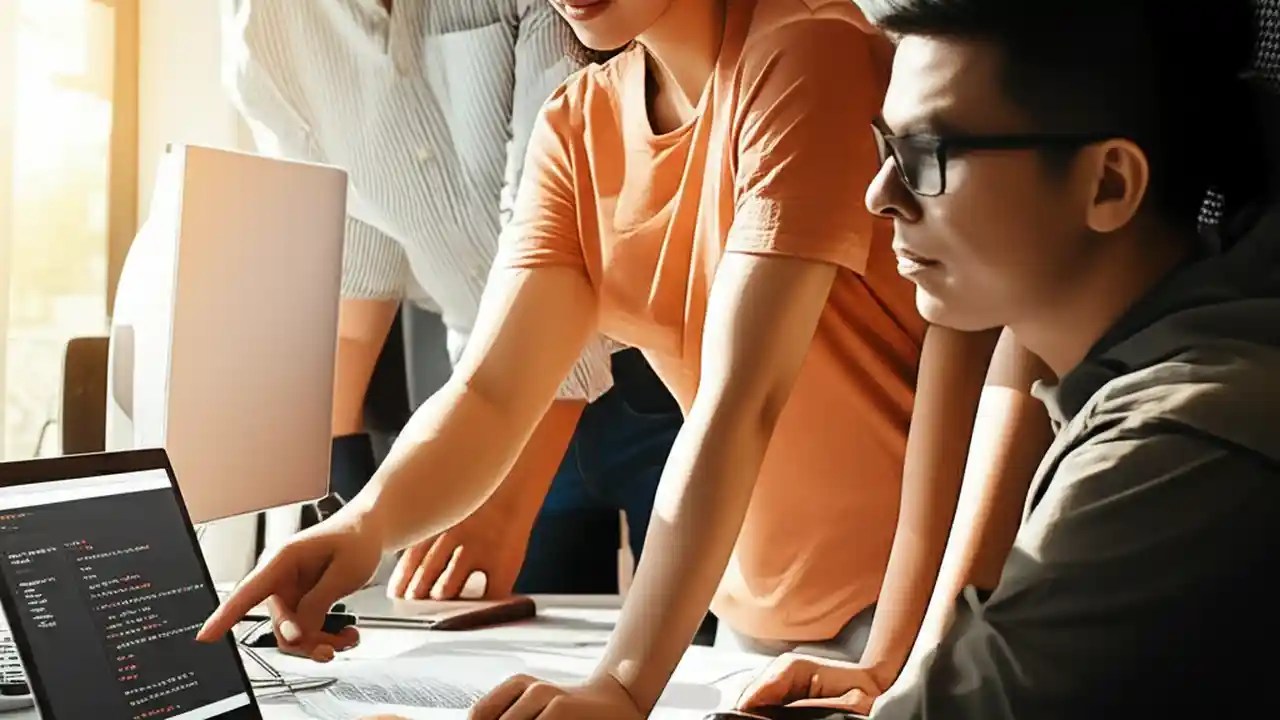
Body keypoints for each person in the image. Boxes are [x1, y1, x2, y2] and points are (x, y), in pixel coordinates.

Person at [201, 0, 1037, 716]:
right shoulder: (576, 124)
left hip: (915, 608)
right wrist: (361, 527)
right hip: (747, 619)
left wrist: (626, 687)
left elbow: (740, 401)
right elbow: (493, 393)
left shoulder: (804, 52)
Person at [737, 0, 1280, 717]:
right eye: (885, 147)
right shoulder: (1153, 379)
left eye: (927, 155)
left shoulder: (1172, 447)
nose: (881, 196)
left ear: (1110, 183)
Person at [220, 0, 685, 600]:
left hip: (656, 374)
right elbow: (356, 266)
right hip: (489, 405)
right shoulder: (266, 40)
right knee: (523, 663)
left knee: (693, 647)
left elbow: (562, 232)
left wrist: (490, 500)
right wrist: (337, 499)